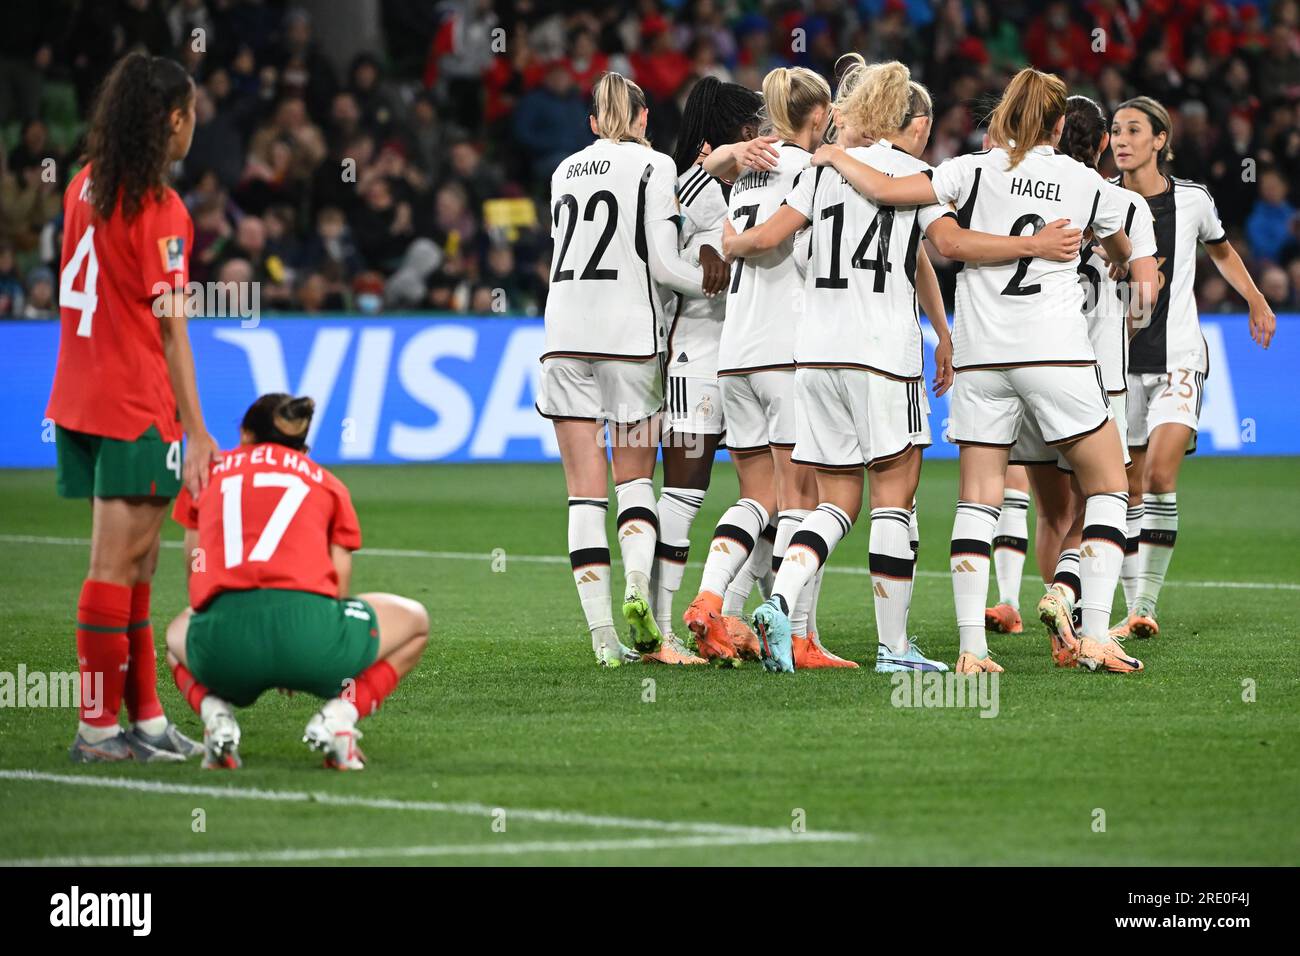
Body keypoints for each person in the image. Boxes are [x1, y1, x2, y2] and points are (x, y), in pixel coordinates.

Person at [727, 60, 1080, 672]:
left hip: (813, 355)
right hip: (882, 355)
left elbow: (770, 237)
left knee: (834, 501)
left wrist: (729, 241)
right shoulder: (918, 174)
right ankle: (894, 648)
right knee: (894, 499)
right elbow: (947, 246)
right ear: (904, 118)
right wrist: (1029, 248)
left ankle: (780, 599)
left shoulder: (818, 173)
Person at [814, 67, 1141, 674]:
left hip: (982, 357)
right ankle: (1094, 632)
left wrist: (835, 154)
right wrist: (1074, 250)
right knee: (1109, 488)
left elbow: (922, 221)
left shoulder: (969, 169)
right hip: (1055, 354)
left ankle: (971, 649)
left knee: (977, 502)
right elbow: (1122, 248)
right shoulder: (1083, 181)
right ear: (1060, 123)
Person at [46, 53, 221, 762]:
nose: (195, 127)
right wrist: (199, 432)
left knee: (137, 566)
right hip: (133, 406)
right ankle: (95, 729)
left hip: (79, 396)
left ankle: (144, 719)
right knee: (114, 567)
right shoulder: (161, 208)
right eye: (192, 114)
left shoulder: (85, 185)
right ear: (172, 120)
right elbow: (172, 327)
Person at [536, 71, 725, 668]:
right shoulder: (656, 168)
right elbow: (666, 268)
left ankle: (602, 642)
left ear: (592, 122)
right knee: (635, 482)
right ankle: (641, 600)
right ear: (644, 119)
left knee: (582, 498)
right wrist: (718, 280)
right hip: (629, 344)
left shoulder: (563, 171)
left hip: (563, 339)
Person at [164, 394, 429, 770]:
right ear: (303, 446)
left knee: (175, 636)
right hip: (312, 640)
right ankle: (339, 719)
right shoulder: (326, 482)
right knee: (416, 621)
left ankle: (216, 720)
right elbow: (338, 584)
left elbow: (194, 567)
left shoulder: (208, 474)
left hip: (223, 648)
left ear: (244, 433)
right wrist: (299, 648)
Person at [682, 66, 837, 668]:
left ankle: (710, 598)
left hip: (736, 355)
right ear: (818, 115)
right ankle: (798, 636)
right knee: (803, 498)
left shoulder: (744, 173)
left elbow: (707, 215)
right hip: (788, 351)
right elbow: (788, 243)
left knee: (756, 497)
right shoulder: (809, 171)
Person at [1109, 96, 1276, 638]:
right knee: (1129, 484)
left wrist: (1255, 298)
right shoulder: (1101, 200)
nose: (1121, 139)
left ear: (1161, 140)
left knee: (1159, 475)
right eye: (1115, 130)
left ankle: (1146, 605)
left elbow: (1221, 250)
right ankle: (1133, 608)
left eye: (1134, 130)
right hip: (1119, 364)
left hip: (1180, 356)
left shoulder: (1194, 200)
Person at [1007, 95, 1158, 657]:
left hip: (1029, 367)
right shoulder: (1121, 203)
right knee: (1103, 498)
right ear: (1099, 145)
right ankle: (1081, 609)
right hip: (1098, 377)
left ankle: (1060, 634)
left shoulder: (1019, 192)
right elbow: (1145, 291)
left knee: (1053, 512)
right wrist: (1127, 327)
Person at [649, 76, 761, 652]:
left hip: (745, 361)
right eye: (753, 128)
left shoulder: (751, 189)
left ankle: (730, 613)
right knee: (685, 493)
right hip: (697, 357)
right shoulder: (691, 187)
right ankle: (661, 626)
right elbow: (664, 244)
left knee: (762, 493)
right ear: (734, 134)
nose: (761, 138)